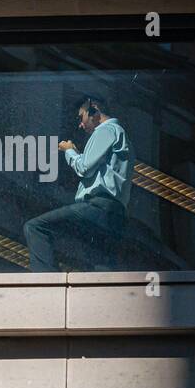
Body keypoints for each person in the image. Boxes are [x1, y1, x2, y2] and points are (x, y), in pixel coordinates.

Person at [24, 95, 133, 272]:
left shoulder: (106, 130)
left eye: (81, 117)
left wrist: (69, 152)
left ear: (94, 110)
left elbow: (84, 167)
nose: (80, 125)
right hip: (114, 212)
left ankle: (47, 285)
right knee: (101, 267)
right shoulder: (119, 134)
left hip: (97, 207)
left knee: (36, 227)